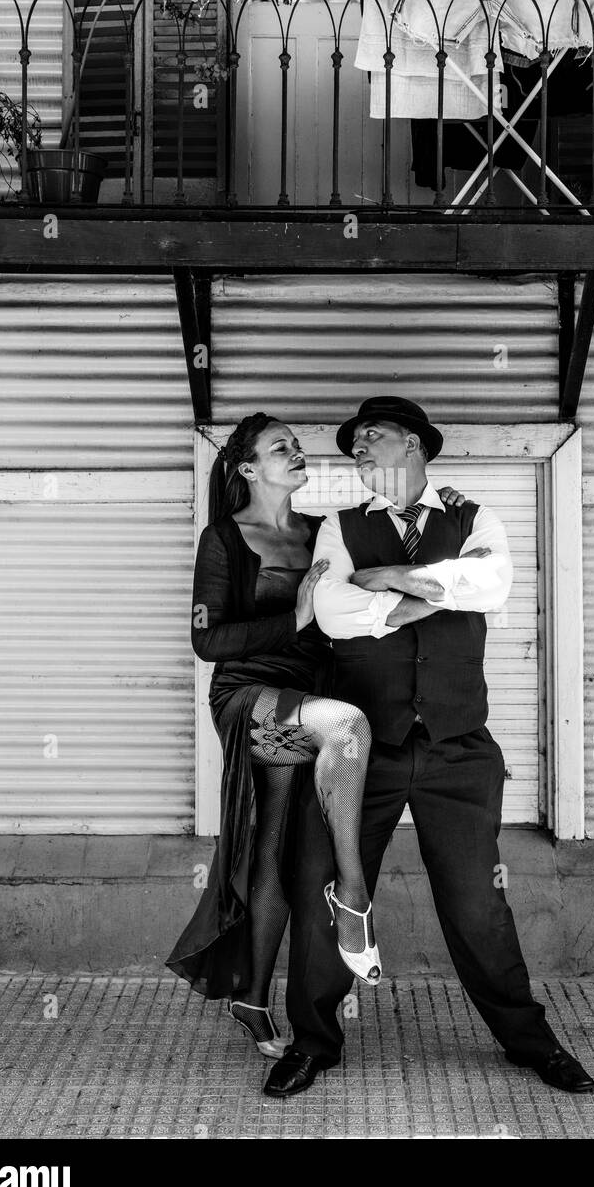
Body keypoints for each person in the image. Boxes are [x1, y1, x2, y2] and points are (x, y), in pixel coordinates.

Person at [263, 396, 594, 1097]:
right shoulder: (338, 527)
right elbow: (334, 614)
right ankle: (313, 1042)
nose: (357, 449)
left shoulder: (475, 518)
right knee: (331, 893)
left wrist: (390, 580)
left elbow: (494, 581)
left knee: (478, 904)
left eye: (372, 437)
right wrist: (437, 593)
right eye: (352, 443)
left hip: (458, 749)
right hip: (362, 749)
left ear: (413, 445)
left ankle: (528, 1041)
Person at [165, 413, 379, 1059]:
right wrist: (293, 617)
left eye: (296, 444)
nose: (295, 451)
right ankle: (353, 892)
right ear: (248, 469)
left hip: (303, 694)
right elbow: (207, 640)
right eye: (279, 446)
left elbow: (373, 573)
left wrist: (447, 513)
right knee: (346, 726)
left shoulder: (323, 532)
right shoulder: (224, 539)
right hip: (248, 698)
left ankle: (251, 997)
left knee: (272, 851)